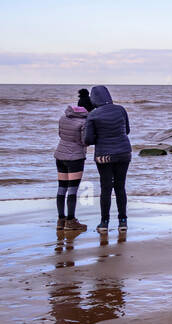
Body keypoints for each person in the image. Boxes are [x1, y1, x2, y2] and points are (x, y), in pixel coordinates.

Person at [83, 85, 131, 233]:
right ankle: (123, 222)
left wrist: (100, 137)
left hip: (104, 156)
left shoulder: (93, 115)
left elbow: (88, 139)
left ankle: (104, 223)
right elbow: (127, 130)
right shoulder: (121, 109)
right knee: (120, 187)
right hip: (124, 153)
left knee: (106, 188)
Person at [53, 95, 90, 232]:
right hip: (75, 158)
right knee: (72, 190)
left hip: (60, 155)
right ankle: (71, 221)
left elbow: (60, 134)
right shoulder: (84, 122)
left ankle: (60, 220)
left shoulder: (63, 117)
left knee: (61, 188)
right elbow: (84, 141)